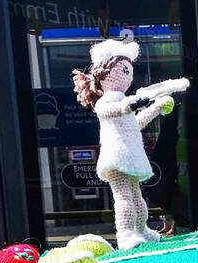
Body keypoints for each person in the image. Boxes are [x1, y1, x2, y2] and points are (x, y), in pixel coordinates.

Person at [72, 38, 188, 250]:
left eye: (128, 71)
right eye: (123, 70)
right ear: (104, 73)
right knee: (124, 197)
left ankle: (141, 230)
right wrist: (138, 100)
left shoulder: (123, 101)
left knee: (138, 199)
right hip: (116, 159)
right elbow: (118, 110)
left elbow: (135, 123)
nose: (128, 76)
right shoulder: (105, 103)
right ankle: (126, 235)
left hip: (129, 157)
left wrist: (156, 106)